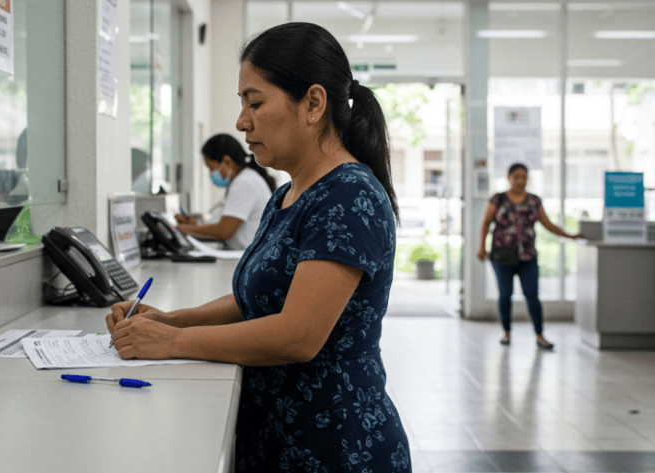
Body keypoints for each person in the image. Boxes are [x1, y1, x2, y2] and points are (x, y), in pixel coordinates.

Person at [107, 22, 411, 472]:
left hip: (334, 445)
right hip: (278, 435)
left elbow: (298, 333)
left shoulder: (348, 195)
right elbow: (255, 300)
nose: (241, 121)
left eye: (255, 102)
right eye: (241, 104)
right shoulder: (287, 195)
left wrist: (173, 340)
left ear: (312, 103)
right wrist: (170, 319)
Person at [477, 162, 582, 350]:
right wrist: (481, 247)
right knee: (505, 295)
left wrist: (569, 236)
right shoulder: (498, 199)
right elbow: (485, 223)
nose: (520, 180)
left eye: (524, 177)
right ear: (509, 178)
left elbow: (547, 223)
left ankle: (540, 335)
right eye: (516, 176)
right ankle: (506, 333)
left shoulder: (534, 201)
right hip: (502, 257)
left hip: (527, 257)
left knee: (532, 295)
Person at [175, 133, 276, 250]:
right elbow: (224, 224)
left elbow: (223, 231)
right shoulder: (244, 179)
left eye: (212, 168)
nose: (211, 173)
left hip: (247, 256)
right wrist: (193, 227)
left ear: (226, 161)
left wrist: (177, 229)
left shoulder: (244, 183)